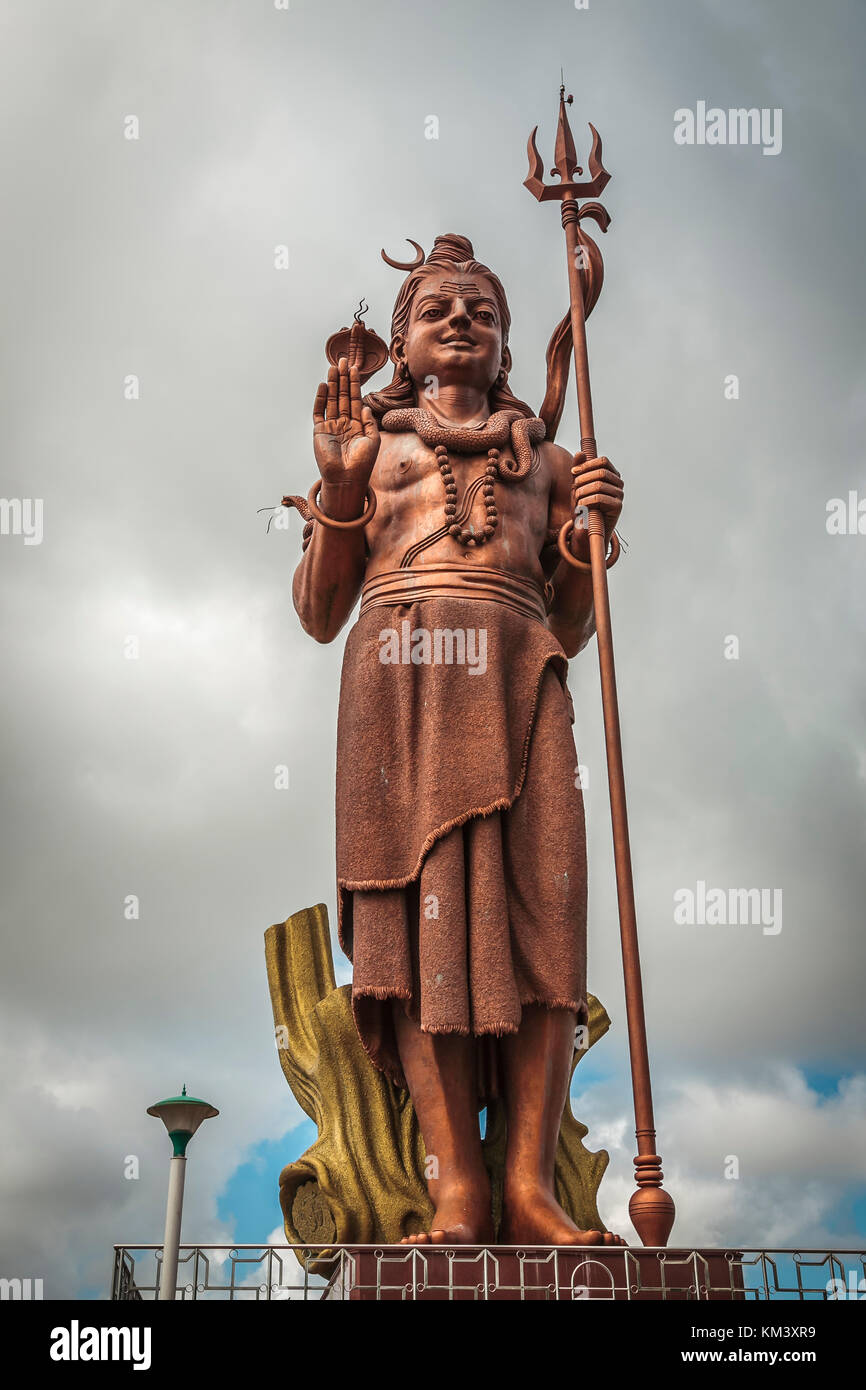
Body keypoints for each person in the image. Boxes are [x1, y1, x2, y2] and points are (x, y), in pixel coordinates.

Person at [291, 234, 624, 1245]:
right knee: (412, 927)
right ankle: (457, 1188)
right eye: (437, 309)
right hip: (398, 680)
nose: (461, 323)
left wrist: (587, 542)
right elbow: (316, 610)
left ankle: (525, 1182)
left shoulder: (552, 461)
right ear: (402, 341)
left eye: (481, 310)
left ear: (507, 343)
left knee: (542, 924)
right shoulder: (374, 448)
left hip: (522, 678)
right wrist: (340, 492)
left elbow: (571, 620)